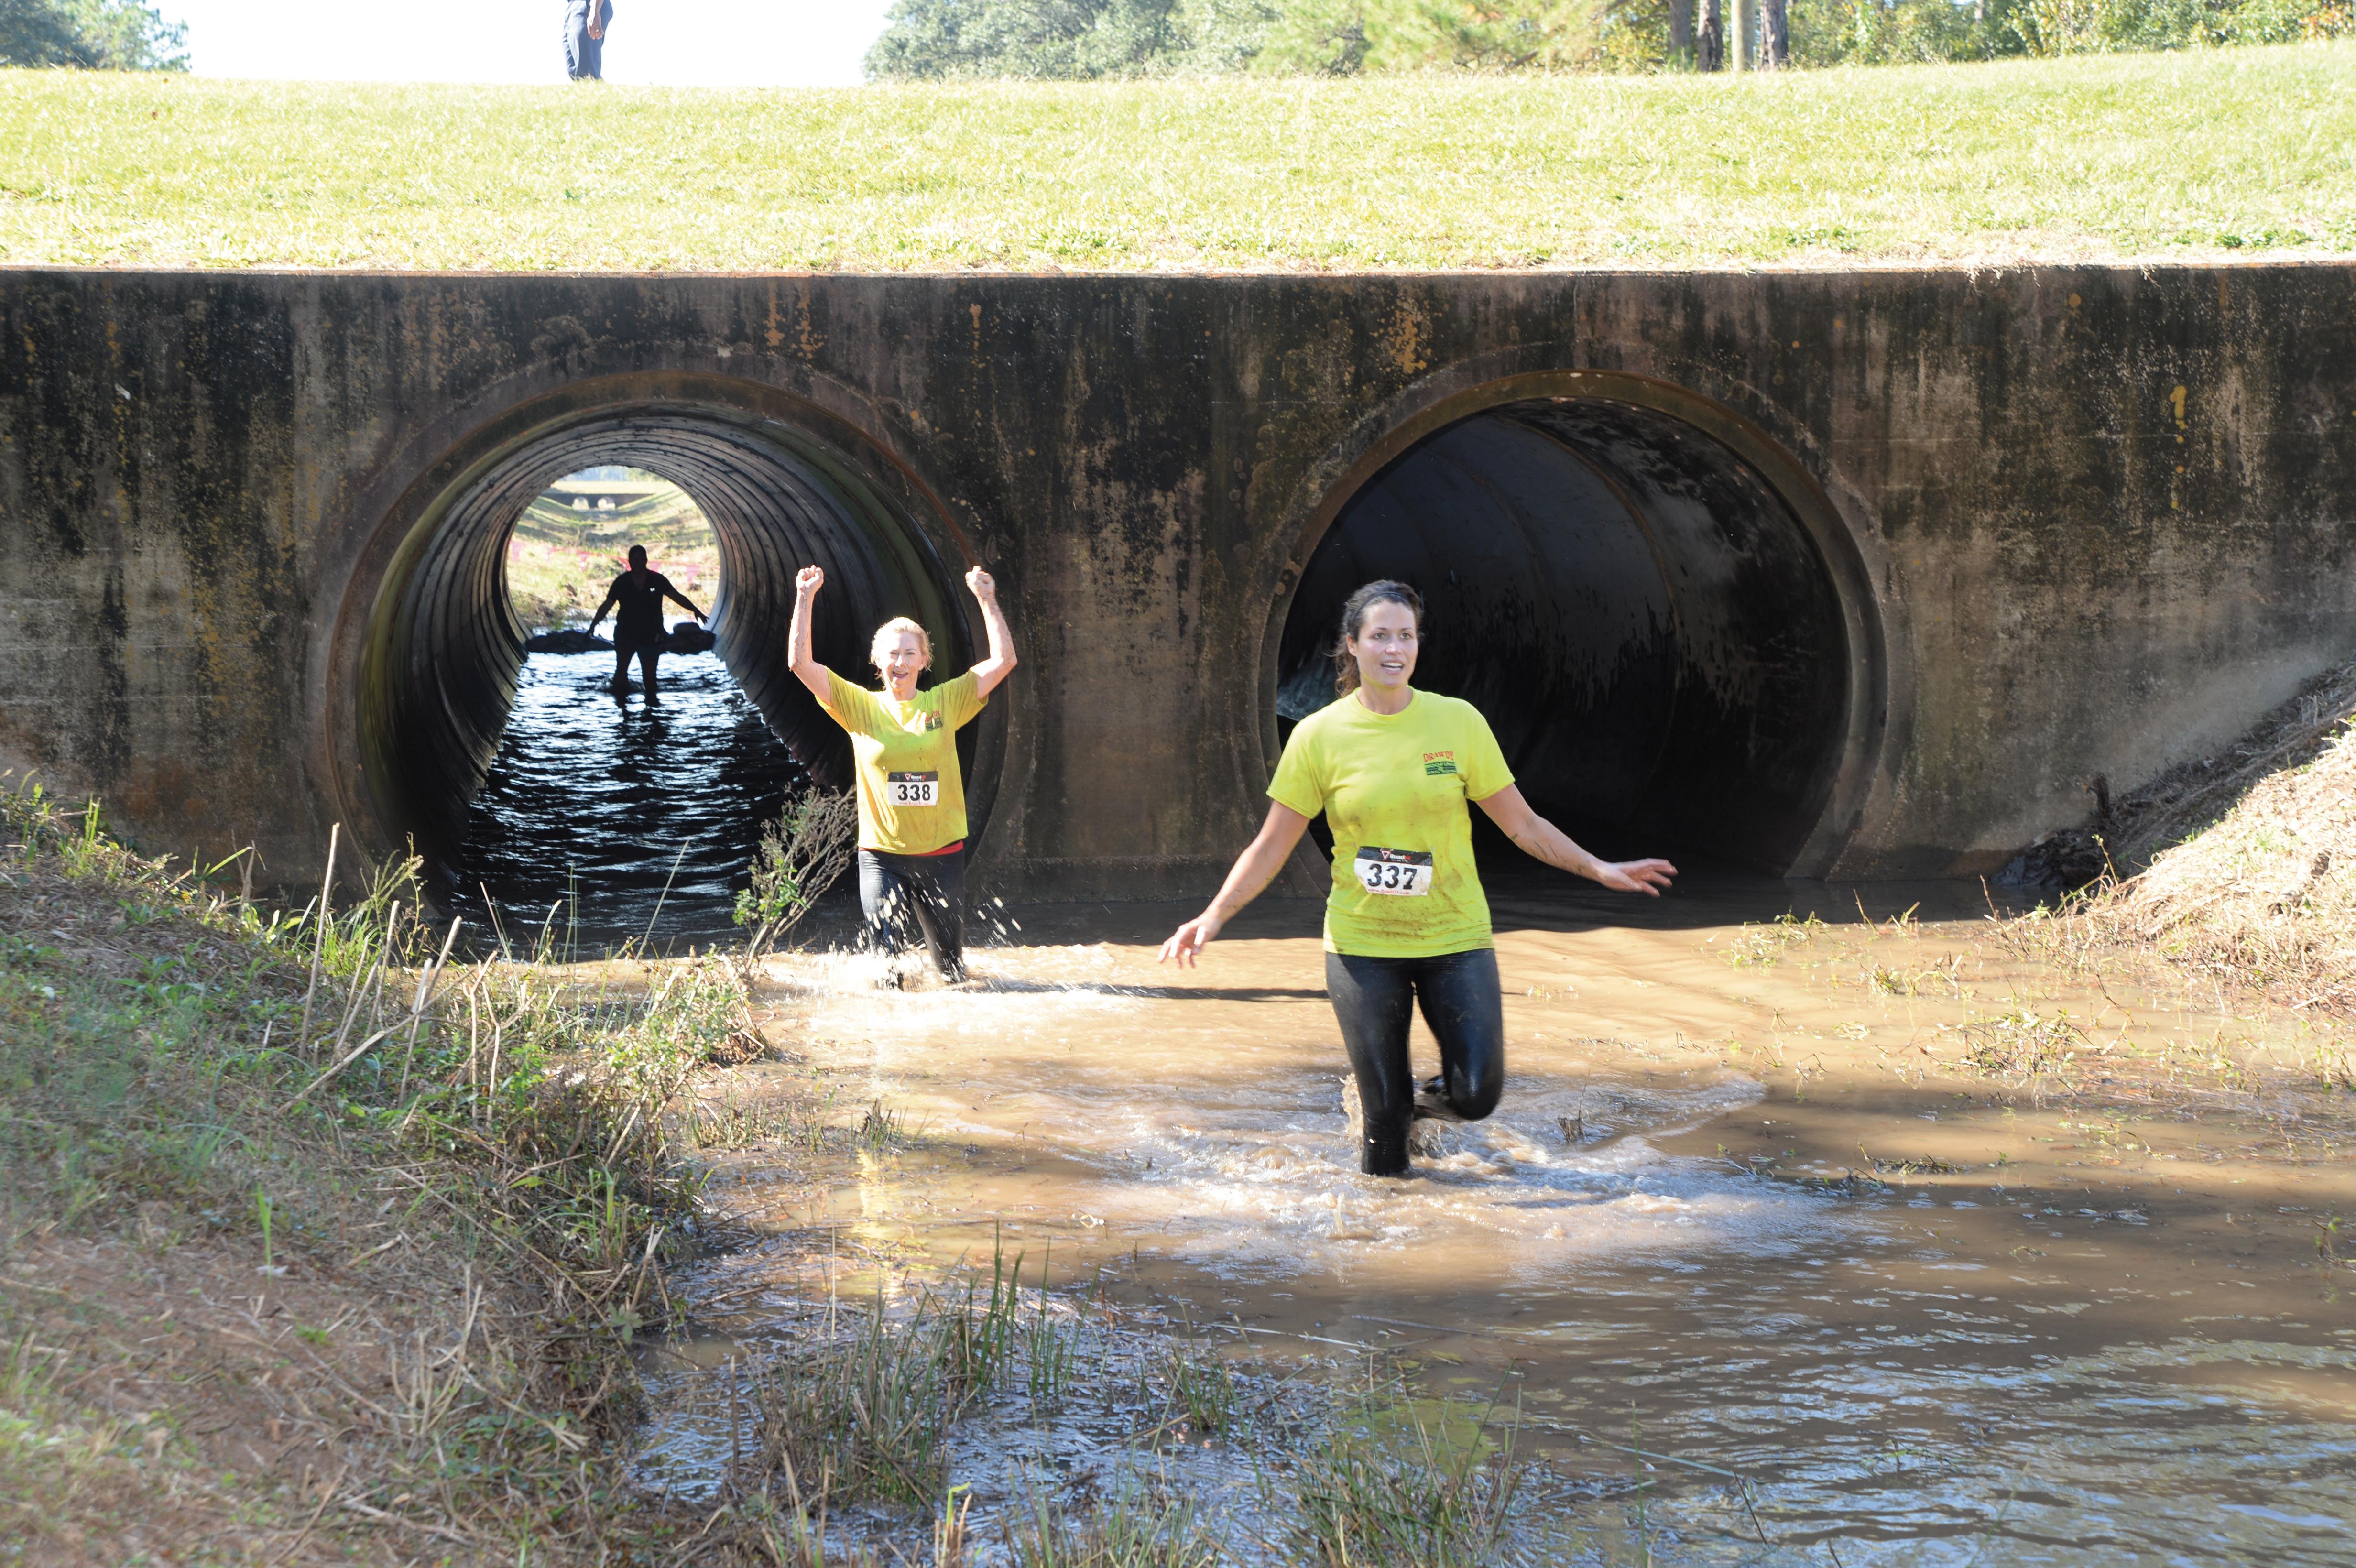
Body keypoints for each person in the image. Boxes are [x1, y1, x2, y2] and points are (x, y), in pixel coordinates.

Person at [1158, 580, 1677, 1177]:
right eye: (1379, 635)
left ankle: (1415, 1113)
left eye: (1405, 636)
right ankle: (1382, 1236)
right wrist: (1213, 915)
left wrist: (1597, 867)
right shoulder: (1318, 737)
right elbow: (1272, 844)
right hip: (1363, 944)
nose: (1393, 648)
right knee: (1382, 1132)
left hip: (1454, 935)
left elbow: (1522, 823)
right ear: (1351, 646)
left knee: (1476, 1093)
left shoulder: (1457, 723)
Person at [787, 562, 1017, 985]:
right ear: (877, 660)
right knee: (887, 974)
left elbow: (1004, 661)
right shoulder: (860, 707)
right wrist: (805, 598)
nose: (900, 661)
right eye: (892, 653)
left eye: (910, 653)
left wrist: (988, 599)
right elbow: (801, 665)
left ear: (924, 660)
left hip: (941, 856)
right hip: (881, 859)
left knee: (952, 976)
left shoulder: (946, 702)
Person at [588, 545, 704, 698]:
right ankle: (623, 711)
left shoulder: (657, 580)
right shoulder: (622, 582)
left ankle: (652, 711)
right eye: (634, 559)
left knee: (650, 680)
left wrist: (695, 610)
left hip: (652, 635)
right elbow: (607, 606)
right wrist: (593, 625)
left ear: (646, 561)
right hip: (626, 633)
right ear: (629, 562)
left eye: (641, 559)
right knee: (621, 674)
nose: (638, 562)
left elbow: (677, 596)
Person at [563, 0, 612, 81]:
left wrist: (595, 10)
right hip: (572, 7)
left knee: (587, 72)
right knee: (574, 71)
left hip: (589, 5)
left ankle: (600, 92)